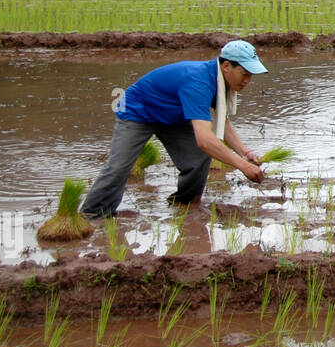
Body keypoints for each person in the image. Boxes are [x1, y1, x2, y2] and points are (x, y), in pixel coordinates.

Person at [80, 40, 269, 218]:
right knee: (119, 167)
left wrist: (245, 152)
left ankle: (185, 204)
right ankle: (92, 215)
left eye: (251, 75)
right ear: (227, 66)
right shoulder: (199, 83)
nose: (247, 80)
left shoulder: (220, 79)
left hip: (173, 115)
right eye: (245, 73)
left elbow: (223, 123)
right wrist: (242, 166)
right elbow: (205, 139)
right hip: (138, 111)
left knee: (198, 157)